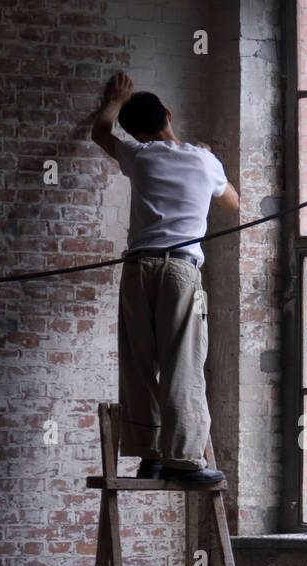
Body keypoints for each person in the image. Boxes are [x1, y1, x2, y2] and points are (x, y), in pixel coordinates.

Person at [90, 73, 240, 487]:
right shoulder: (203, 161)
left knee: (138, 362)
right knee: (183, 362)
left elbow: (101, 131)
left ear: (136, 131)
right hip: (180, 269)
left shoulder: (138, 156)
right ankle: (185, 459)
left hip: (138, 268)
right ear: (169, 116)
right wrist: (210, 159)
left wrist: (115, 100)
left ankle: (149, 455)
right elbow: (233, 202)